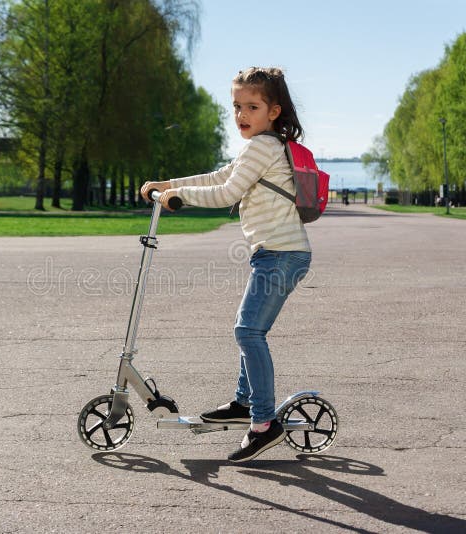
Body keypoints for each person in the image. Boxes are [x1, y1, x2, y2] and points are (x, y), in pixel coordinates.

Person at [140, 67, 312, 462]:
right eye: (237, 106)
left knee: (248, 331)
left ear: (273, 111)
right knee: (248, 329)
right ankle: (243, 402)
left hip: (281, 254)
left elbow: (227, 191)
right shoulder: (262, 146)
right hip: (276, 253)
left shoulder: (263, 146)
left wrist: (176, 198)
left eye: (252, 106)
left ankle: (264, 424)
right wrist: (169, 185)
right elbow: (221, 175)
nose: (242, 115)